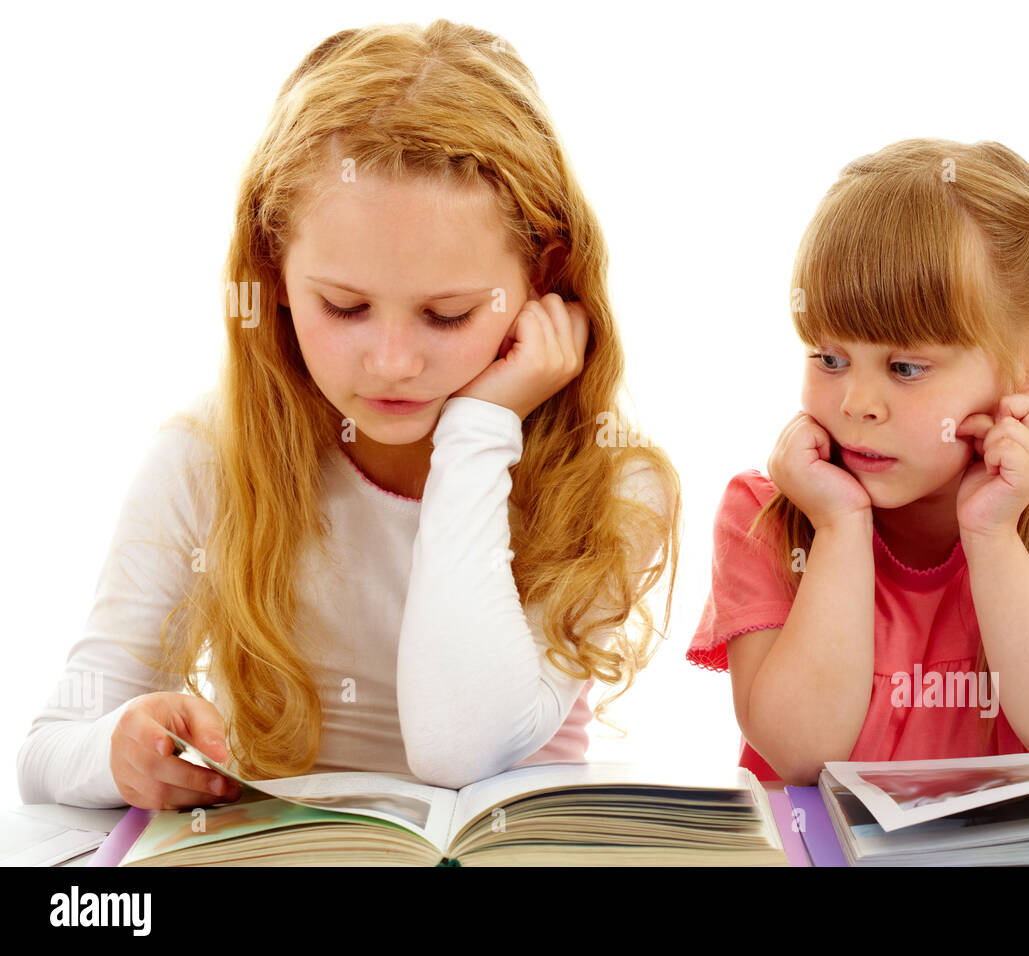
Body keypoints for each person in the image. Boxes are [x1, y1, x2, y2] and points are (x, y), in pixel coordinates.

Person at [19, 20, 680, 809]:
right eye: (344, 306)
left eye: (447, 314)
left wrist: (479, 431)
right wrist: (119, 751)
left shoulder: (610, 486)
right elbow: (48, 751)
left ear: (545, 272)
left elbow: (458, 748)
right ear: (275, 271)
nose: (393, 362)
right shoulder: (208, 455)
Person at [688, 139, 1029, 786]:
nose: (856, 404)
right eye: (829, 358)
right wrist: (839, 527)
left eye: (905, 368)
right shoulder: (767, 512)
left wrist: (992, 534)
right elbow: (801, 755)